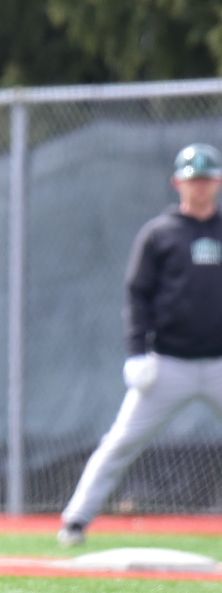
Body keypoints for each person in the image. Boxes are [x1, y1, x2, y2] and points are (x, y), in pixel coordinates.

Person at [58, 143, 222, 546]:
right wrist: (137, 352)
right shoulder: (160, 234)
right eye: (191, 179)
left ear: (217, 182)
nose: (198, 187)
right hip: (168, 365)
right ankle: (75, 520)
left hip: (220, 363)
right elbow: (138, 295)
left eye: (205, 178)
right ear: (177, 183)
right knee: (120, 442)